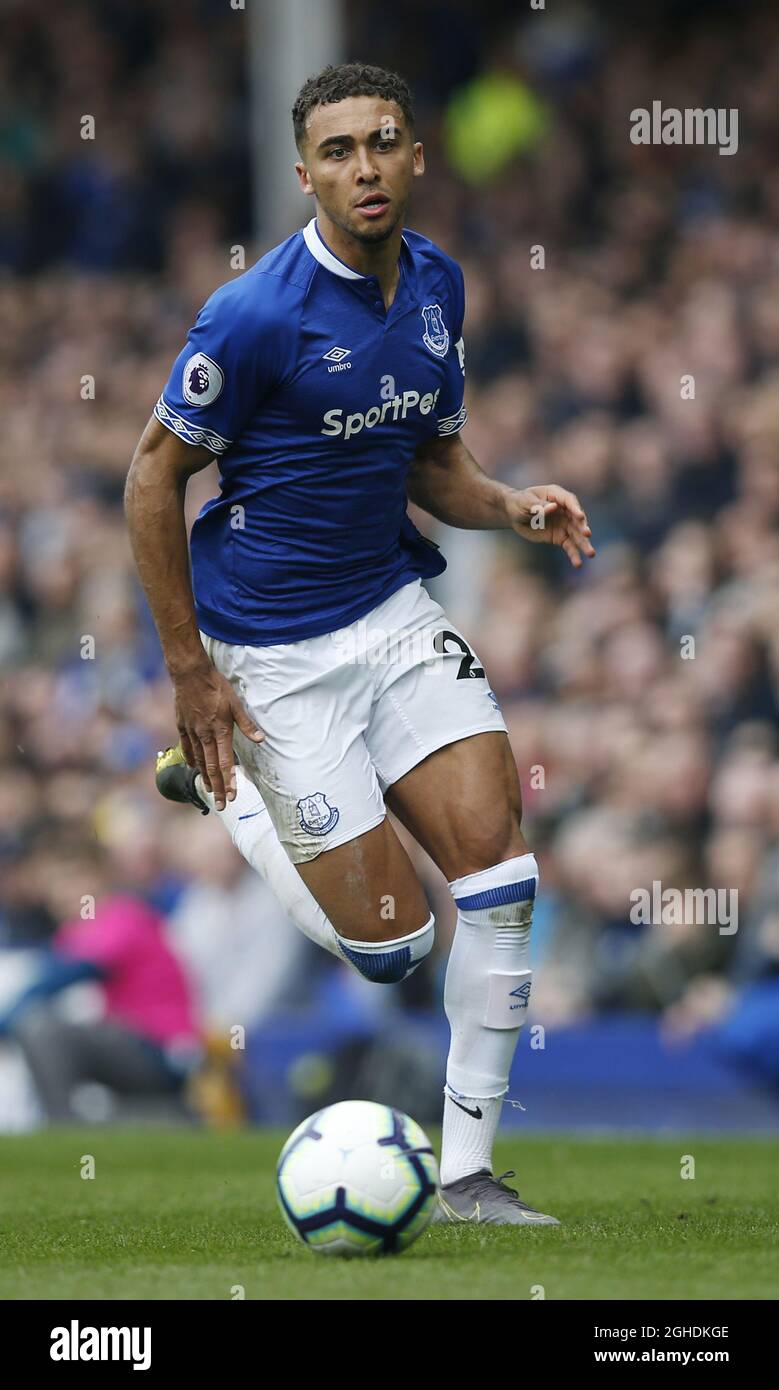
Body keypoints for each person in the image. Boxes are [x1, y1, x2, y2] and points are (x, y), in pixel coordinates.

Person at [125, 62, 595, 1225]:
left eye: (381, 141)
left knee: (498, 876)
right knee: (391, 949)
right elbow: (151, 475)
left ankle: (470, 1175)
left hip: (390, 614)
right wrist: (191, 673)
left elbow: (433, 461)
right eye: (337, 151)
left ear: (414, 153)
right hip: (273, 656)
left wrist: (509, 504)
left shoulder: (437, 286)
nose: (364, 166)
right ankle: (226, 786)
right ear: (305, 176)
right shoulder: (252, 315)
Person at [0, 841, 203, 1123]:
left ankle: (63, 1131)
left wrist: (4, 1022)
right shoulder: (74, 930)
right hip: (129, 1045)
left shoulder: (123, 915)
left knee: (42, 1031)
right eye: (55, 882)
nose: (64, 892)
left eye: (74, 878)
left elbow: (58, 978)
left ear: (102, 877)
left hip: (166, 1052)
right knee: (40, 1028)